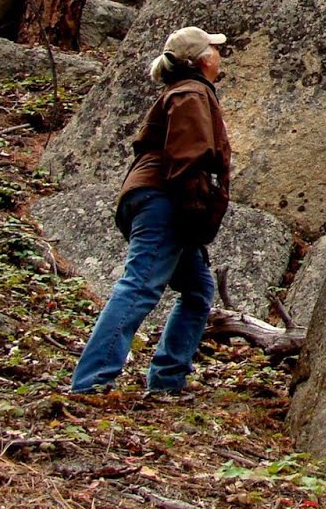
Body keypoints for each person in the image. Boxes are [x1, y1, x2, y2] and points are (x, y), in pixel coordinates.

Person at [71, 26, 232, 395]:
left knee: (198, 289)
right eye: (215, 48)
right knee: (140, 285)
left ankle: (167, 380)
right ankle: (91, 382)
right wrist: (194, 214)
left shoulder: (187, 91)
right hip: (166, 199)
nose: (220, 54)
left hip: (155, 197)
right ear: (204, 59)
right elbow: (187, 160)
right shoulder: (192, 93)